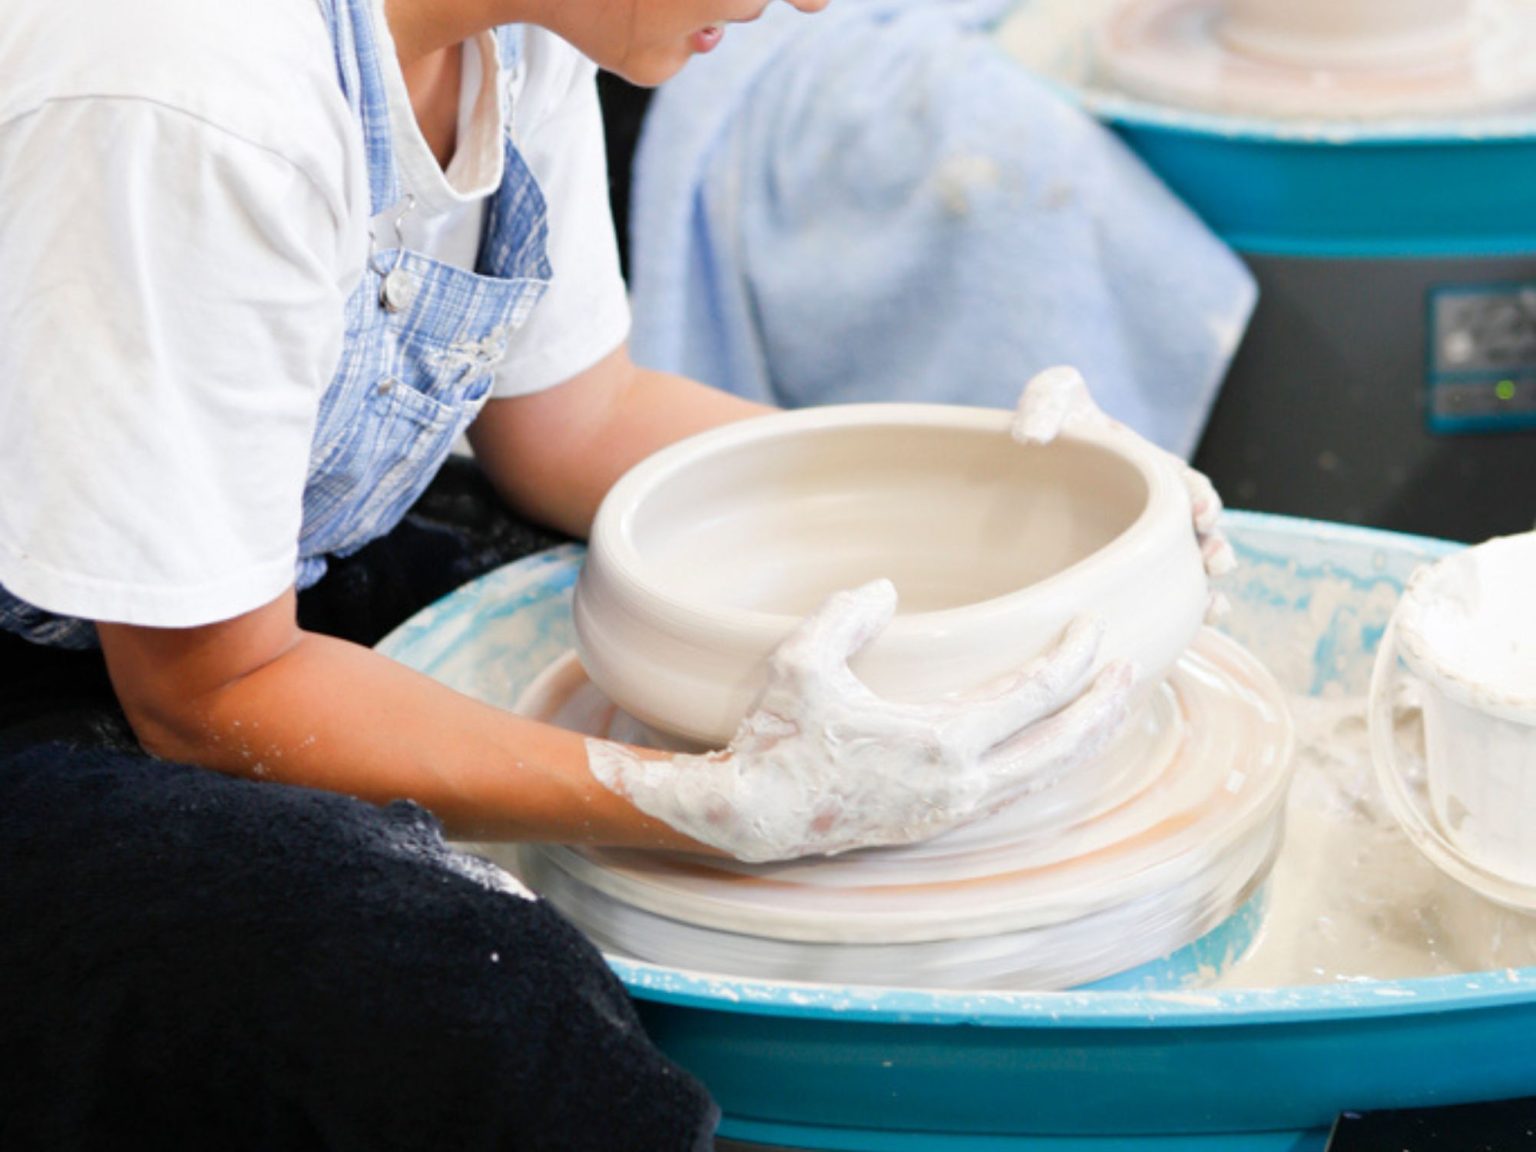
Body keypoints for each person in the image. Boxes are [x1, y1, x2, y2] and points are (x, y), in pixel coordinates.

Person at [0, 0, 1215, 1147]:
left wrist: (1039, 510)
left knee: (676, 628)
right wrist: (715, 803)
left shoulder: (516, 33)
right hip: (87, 673)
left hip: (230, 594)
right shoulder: (196, 97)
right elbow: (206, 693)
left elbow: (578, 423)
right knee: (474, 1008)